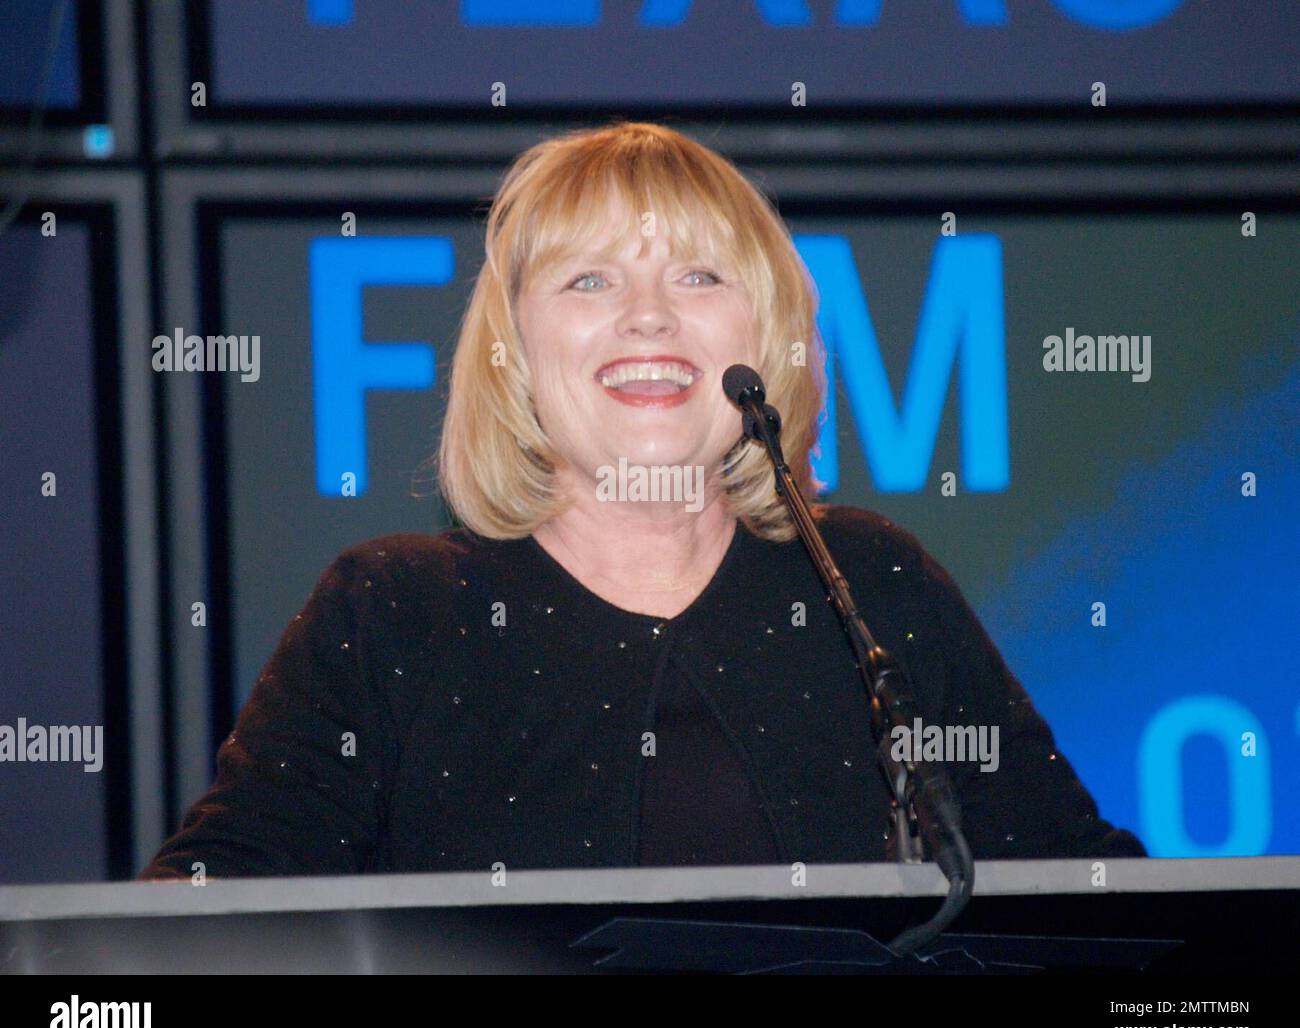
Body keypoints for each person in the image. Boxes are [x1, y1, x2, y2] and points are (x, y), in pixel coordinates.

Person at [140, 121, 1144, 879]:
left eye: (700, 276)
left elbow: (1101, 910)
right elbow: (196, 925)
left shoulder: (872, 588)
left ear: (772, 338)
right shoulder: (390, 614)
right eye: (588, 282)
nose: (649, 316)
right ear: (515, 358)